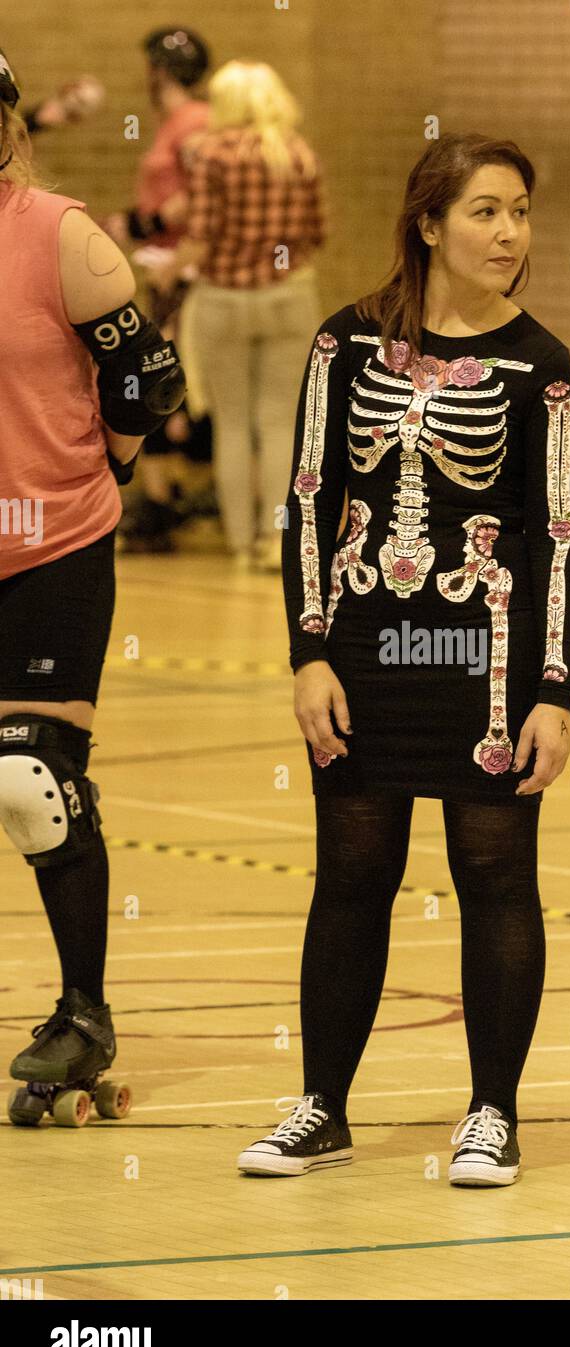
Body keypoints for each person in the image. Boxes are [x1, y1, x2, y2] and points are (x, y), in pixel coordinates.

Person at [237, 132, 570, 1186]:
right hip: (363, 649)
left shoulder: (540, 366)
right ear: (428, 222)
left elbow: (558, 533)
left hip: (482, 655)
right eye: (485, 210)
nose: (509, 233)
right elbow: (307, 504)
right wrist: (307, 653)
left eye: (519, 211)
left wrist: (553, 689)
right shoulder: (341, 348)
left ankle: (491, 1111)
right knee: (351, 873)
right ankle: (321, 1106)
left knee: (492, 873)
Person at [0, 45, 186, 1121]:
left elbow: (145, 375)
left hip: (51, 541)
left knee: (30, 777)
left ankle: (82, 1012)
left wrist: (111, 460)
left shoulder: (58, 233)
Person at [152, 59, 327, 573]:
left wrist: (169, 271)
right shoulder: (298, 154)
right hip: (290, 296)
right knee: (278, 423)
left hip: (223, 298)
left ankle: (237, 538)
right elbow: (318, 232)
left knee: (231, 422)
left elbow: (202, 235)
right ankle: (277, 538)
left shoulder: (211, 154)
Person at [102, 26, 213, 553]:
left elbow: (201, 194)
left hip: (180, 271)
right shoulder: (181, 120)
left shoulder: (194, 122)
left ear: (159, 70)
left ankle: (165, 502)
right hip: (168, 268)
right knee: (166, 380)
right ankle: (165, 497)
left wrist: (140, 224)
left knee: (163, 380)